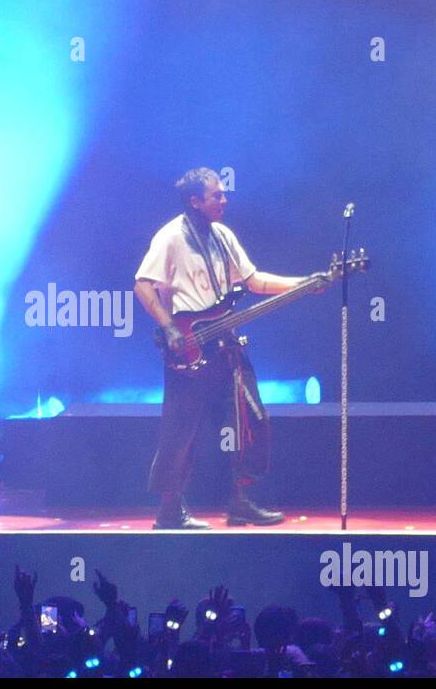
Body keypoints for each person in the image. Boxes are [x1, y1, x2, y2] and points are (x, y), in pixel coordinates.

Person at [134, 167, 325, 529]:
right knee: (181, 431)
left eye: (223, 194)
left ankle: (241, 502)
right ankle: (170, 510)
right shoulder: (170, 237)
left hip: (226, 345)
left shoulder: (223, 236)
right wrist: (170, 328)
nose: (224, 200)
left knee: (250, 419)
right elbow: (142, 285)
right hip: (188, 348)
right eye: (217, 195)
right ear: (195, 201)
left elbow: (254, 281)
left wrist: (303, 283)